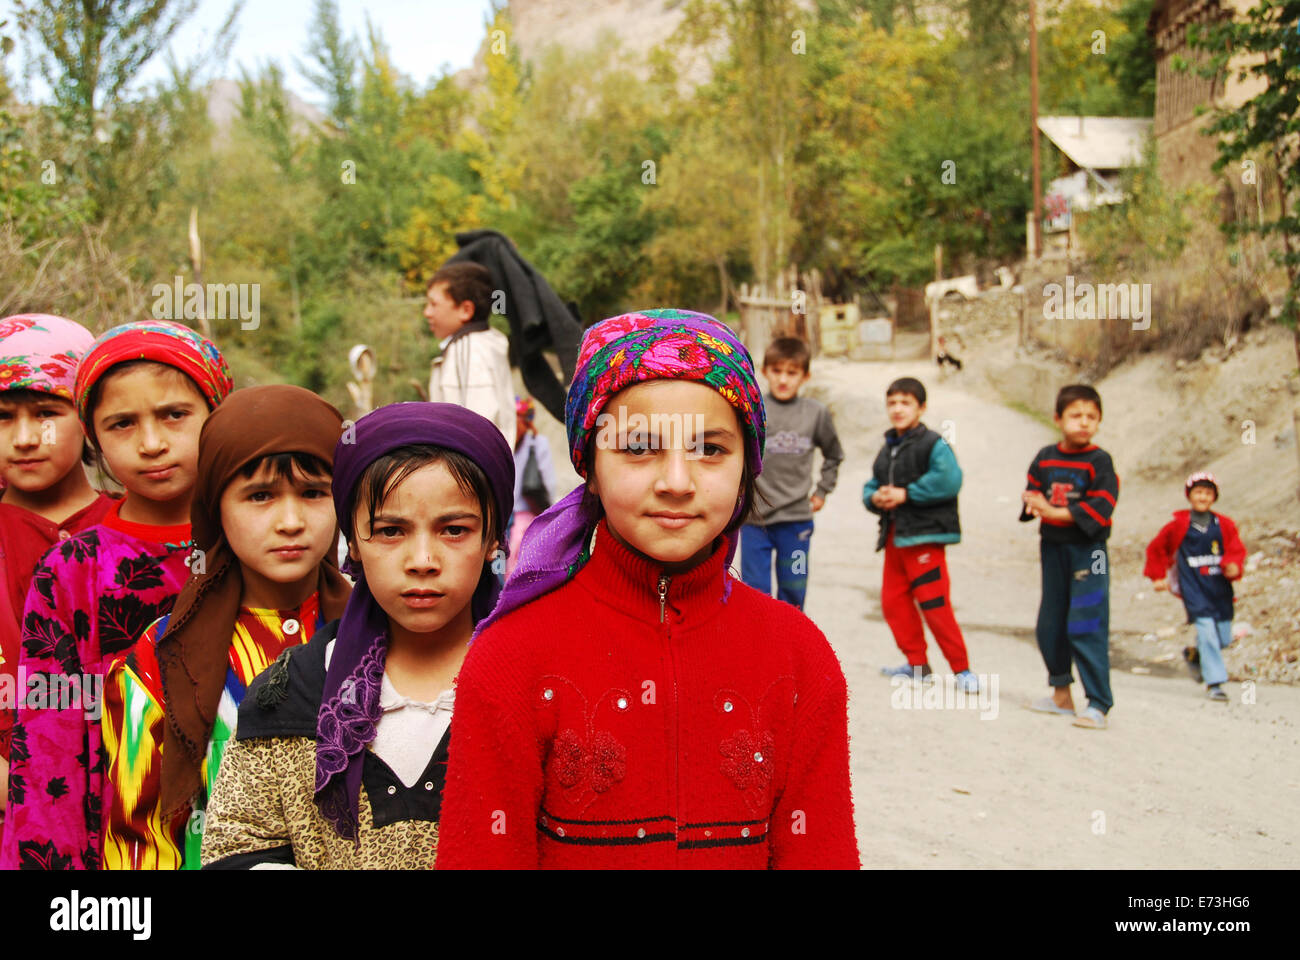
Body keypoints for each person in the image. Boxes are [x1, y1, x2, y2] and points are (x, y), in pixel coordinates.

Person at [436, 309, 859, 869]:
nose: (678, 483)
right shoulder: (511, 660)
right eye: (639, 447)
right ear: (588, 461)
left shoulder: (800, 659)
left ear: (748, 463)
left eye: (710, 449)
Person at [199, 402, 513, 869]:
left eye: (453, 530)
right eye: (390, 531)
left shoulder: (539, 687)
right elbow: (238, 845)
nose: (422, 559)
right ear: (354, 544)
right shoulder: (290, 696)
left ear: (492, 539)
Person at [0, 320, 231, 869]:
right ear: (93, 435)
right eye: (122, 424)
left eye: (175, 415)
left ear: (218, 415)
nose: (152, 444)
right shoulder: (74, 569)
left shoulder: (256, 546)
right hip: (114, 848)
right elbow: (49, 747)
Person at [101, 385, 351, 869]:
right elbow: (139, 838)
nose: (291, 521)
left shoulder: (384, 635)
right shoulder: (161, 659)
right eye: (260, 496)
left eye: (314, 493)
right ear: (215, 505)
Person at [0, 314, 115, 841]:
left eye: (48, 412)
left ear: (88, 418)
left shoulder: (138, 529)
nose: (25, 438)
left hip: (137, 806)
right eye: (3, 417)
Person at [863, 377, 978, 691]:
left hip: (923, 540)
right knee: (893, 603)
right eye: (892, 403)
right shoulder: (889, 447)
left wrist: (906, 494)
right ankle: (917, 664)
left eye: (906, 403)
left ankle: (962, 670)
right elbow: (872, 483)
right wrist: (874, 497)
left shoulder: (934, 444)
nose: (898, 409)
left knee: (934, 604)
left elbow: (949, 480)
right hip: (895, 539)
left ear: (921, 407)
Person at [1020, 384, 1119, 731]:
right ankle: (1061, 694)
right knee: (1050, 623)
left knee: (1086, 623)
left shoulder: (1099, 461)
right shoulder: (1046, 456)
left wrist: (1053, 510)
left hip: (1089, 553)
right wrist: (1033, 502)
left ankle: (1098, 703)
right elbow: (1032, 489)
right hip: (1053, 548)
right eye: (1076, 415)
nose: (1084, 422)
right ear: (1058, 418)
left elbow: (1102, 507)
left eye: (1092, 416)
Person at [739, 337, 843, 610]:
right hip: (754, 521)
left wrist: (822, 490)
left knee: (793, 592)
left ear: (805, 376)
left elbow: (834, 454)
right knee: (754, 595)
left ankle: (791, 649)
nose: (783, 379)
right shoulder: (752, 410)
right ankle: (759, 652)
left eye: (792, 372)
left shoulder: (816, 414)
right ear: (764, 371)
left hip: (796, 522)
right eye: (777, 371)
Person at [1143, 472, 1246, 702]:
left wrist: (1234, 566)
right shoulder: (1178, 526)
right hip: (1194, 589)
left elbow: (1236, 550)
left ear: (1214, 498)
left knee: (1223, 638)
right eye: (1198, 492)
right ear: (1189, 496)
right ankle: (1215, 683)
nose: (1203, 497)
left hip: (1219, 589)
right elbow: (1156, 549)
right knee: (1207, 632)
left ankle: (1196, 655)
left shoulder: (1225, 525)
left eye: (1208, 493)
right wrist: (1157, 577)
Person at [424, 261, 516, 448]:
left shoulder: (468, 352)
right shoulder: (485, 342)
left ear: (466, 310)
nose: (427, 312)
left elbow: (471, 430)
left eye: (434, 304)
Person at [508, 396, 557, 578]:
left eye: (517, 418)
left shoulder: (538, 444)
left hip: (528, 515)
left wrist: (548, 512)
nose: (513, 424)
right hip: (506, 516)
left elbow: (548, 481)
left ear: (526, 421)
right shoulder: (504, 443)